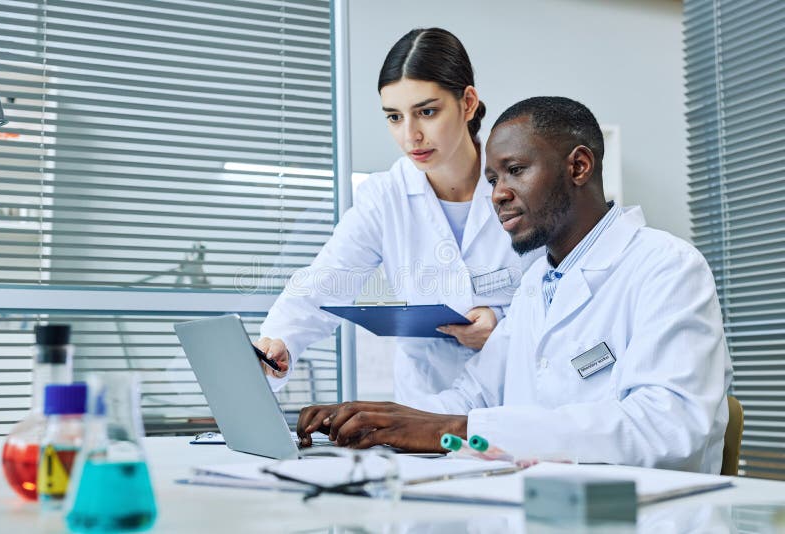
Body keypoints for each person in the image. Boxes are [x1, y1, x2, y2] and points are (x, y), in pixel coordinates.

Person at [295, 97, 733, 474]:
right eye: (492, 180)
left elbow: (667, 427)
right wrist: (379, 419)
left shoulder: (667, 268)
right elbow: (476, 394)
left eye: (515, 171)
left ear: (579, 166)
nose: (498, 194)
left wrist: (456, 430)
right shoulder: (536, 284)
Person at [254, 28, 542, 405]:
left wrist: (504, 327)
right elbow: (324, 282)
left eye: (427, 112)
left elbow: (565, 300)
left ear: (468, 103)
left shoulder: (525, 185)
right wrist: (279, 342)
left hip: (517, 403)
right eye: (394, 117)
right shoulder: (384, 197)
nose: (411, 136)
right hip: (424, 410)